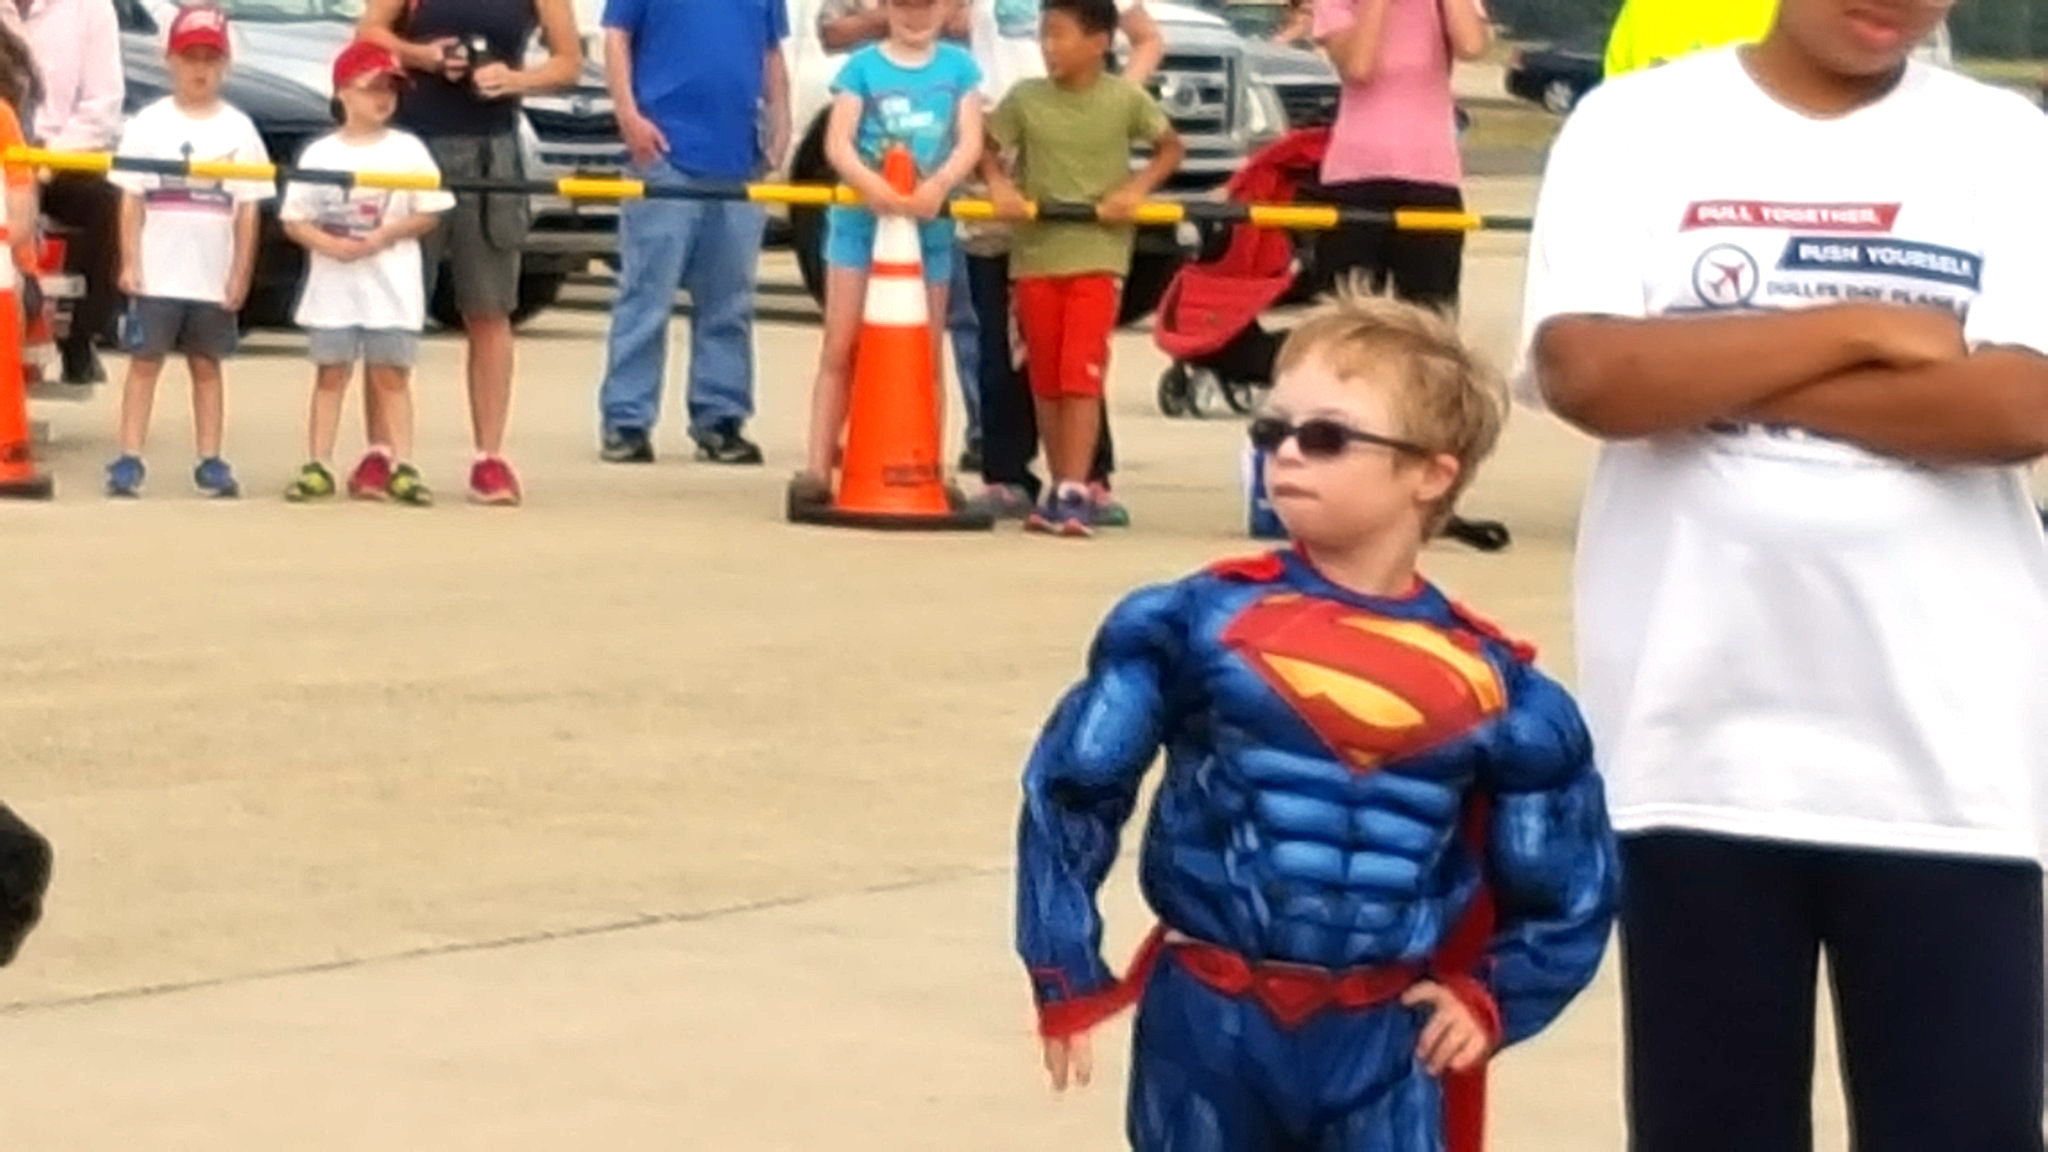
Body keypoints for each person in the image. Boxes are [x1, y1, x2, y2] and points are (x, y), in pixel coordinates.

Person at [1516, 0, 2048, 1144]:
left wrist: (1703, 371)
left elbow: (2012, 405)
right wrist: (1857, 323)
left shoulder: (2005, 143)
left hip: (1945, 767)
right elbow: (1590, 374)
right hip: (1690, 744)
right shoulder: (1633, 127)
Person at [1015, 288, 1618, 1150]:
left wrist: (1495, 996)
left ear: (1432, 471)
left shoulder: (1504, 694)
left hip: (1383, 1034)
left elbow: (1570, 886)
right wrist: (1062, 963)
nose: (1285, 455)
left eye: (1326, 437)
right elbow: (1073, 789)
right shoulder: (1188, 624)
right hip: (1209, 1019)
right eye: (1270, 432)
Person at [356, 0, 581, 506]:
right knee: (396, 306)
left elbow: (567, 61)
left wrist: (513, 80)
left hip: (493, 153)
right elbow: (369, 32)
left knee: (490, 308)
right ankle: (382, 451)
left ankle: (489, 457)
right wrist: (423, 56)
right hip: (413, 148)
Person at [982, 0, 1180, 536]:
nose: (1049, 47)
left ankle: (1075, 485)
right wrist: (999, 185)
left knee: (1081, 372)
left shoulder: (1123, 100)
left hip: (1098, 255)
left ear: (1099, 43)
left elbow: (1168, 148)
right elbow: (988, 144)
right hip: (1035, 256)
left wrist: (1133, 191)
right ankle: (1056, 483)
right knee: (1045, 376)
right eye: (1045, 36)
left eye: (1061, 36)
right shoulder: (1025, 100)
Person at [790, 0, 982, 510]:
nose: (914, 17)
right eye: (903, 5)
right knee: (840, 343)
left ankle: (927, 463)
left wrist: (939, 185)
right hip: (858, 228)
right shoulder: (863, 67)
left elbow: (969, 142)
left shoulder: (959, 68)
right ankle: (815, 465)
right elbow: (838, 142)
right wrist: (871, 185)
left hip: (930, 227)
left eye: (926, 6)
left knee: (926, 353)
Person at [594, 0, 790, 470]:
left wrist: (781, 122)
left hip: (739, 157)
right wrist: (628, 115)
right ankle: (626, 418)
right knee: (646, 295)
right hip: (664, 152)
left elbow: (771, 52)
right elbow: (617, 38)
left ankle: (721, 417)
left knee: (730, 300)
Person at [278, 41, 456, 507]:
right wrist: (329, 244)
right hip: (334, 286)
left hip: (391, 284)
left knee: (391, 376)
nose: (383, 98)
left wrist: (387, 234)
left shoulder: (408, 150)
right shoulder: (320, 154)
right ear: (342, 94)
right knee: (331, 374)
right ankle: (318, 462)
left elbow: (431, 210)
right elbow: (295, 219)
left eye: (391, 90)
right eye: (371, 88)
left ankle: (402, 463)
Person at [102, 6, 269, 500]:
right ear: (170, 60)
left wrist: (240, 272)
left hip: (211, 274)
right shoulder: (149, 124)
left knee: (206, 365)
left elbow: (248, 208)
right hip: (159, 270)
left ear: (225, 65)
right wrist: (130, 260)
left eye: (210, 58)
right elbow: (132, 197)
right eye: (190, 57)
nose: (200, 69)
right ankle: (130, 455)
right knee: (144, 362)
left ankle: (210, 457)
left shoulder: (239, 129)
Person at [17, 0, 123, 386]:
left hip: (60, 154)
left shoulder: (90, 8)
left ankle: (80, 338)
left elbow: (103, 107)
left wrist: (48, 160)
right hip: (3, 150)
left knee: (109, 206)